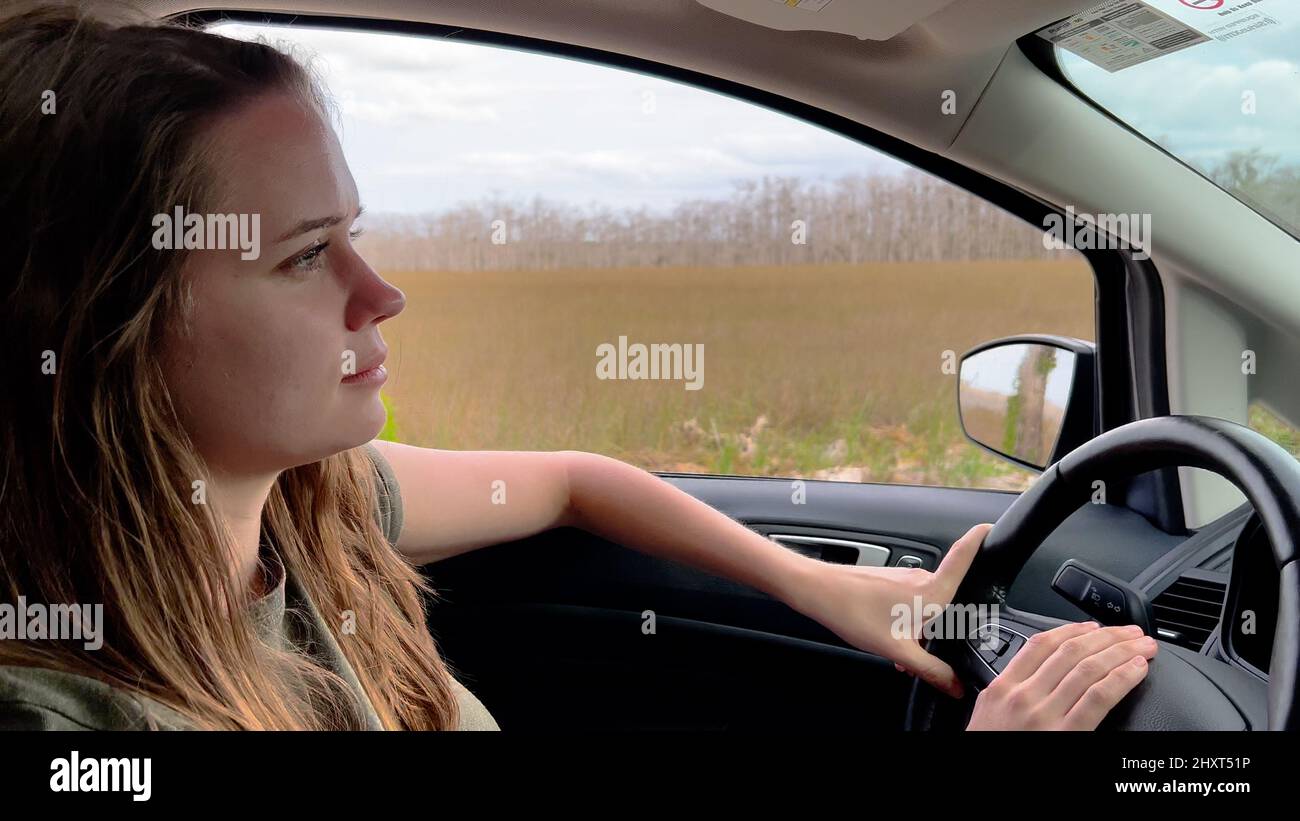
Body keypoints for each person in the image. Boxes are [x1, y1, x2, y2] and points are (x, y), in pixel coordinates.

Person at [0, 1, 1157, 731]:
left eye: (353, 230)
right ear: (108, 322)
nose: (380, 291)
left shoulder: (314, 502)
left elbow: (567, 477)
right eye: (307, 256)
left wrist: (823, 585)